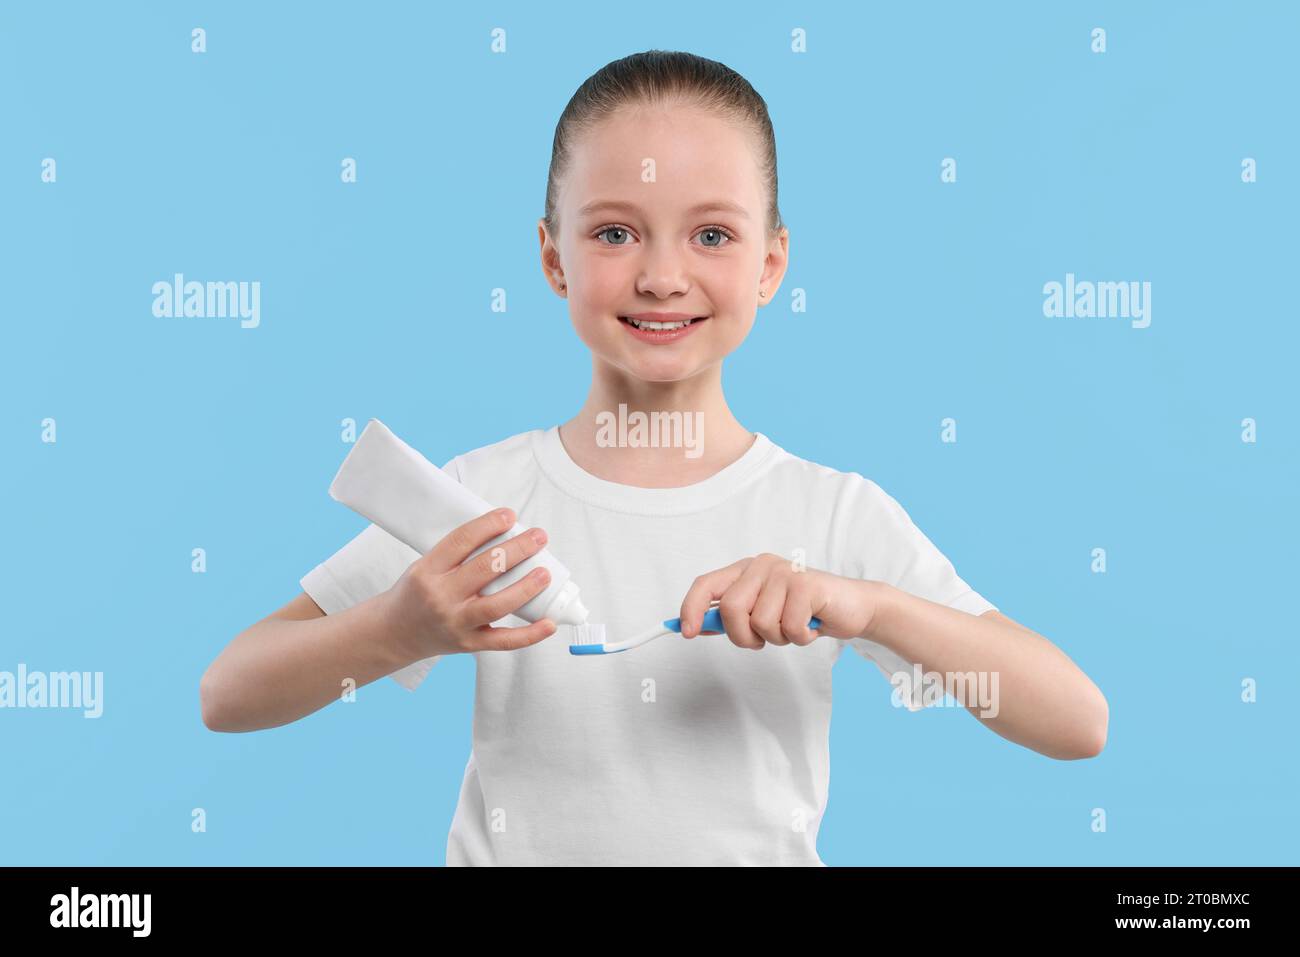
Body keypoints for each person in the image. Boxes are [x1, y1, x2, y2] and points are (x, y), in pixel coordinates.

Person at [200, 50, 1108, 866]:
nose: (662, 276)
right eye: (614, 232)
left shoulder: (832, 517)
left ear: (771, 263)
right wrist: (400, 627)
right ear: (553, 259)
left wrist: (862, 605)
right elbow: (228, 691)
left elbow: (1076, 720)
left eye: (711, 234)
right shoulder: (480, 502)